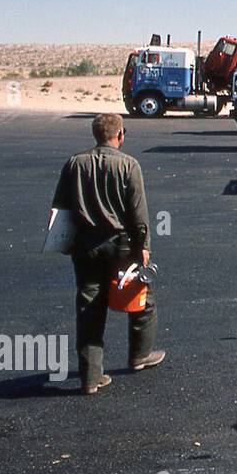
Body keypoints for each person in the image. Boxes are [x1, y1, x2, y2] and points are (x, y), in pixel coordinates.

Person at [52, 113, 165, 394]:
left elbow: (60, 206)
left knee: (89, 306)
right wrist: (144, 247)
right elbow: (139, 213)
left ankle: (90, 378)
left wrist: (64, 242)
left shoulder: (75, 163)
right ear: (120, 135)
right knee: (141, 298)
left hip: (85, 246)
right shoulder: (129, 165)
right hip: (121, 247)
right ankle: (140, 354)